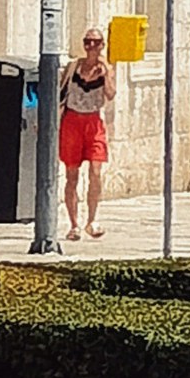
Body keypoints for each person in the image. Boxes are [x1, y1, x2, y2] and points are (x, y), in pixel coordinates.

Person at [58, 28, 114, 239]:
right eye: (87, 42)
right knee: (72, 175)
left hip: (93, 122)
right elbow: (61, 92)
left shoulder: (106, 69)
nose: (91, 46)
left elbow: (110, 94)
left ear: (102, 45)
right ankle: (74, 224)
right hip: (72, 122)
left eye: (96, 42)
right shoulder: (74, 67)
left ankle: (92, 220)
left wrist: (106, 74)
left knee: (96, 172)